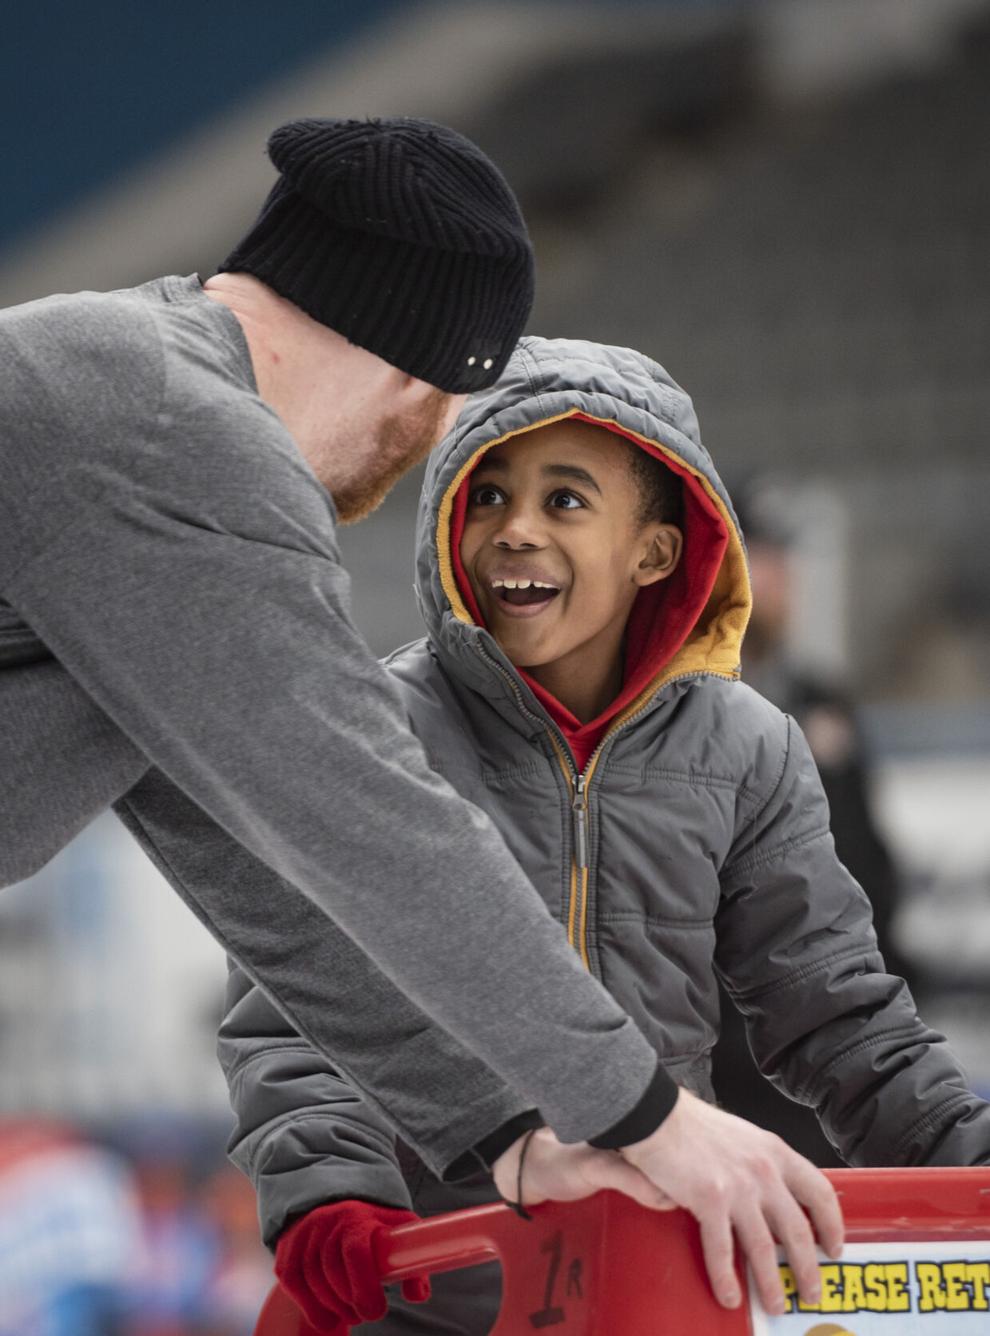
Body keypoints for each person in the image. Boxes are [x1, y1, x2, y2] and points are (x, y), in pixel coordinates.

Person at [0, 117, 838, 1301]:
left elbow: (270, 865)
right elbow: (377, 816)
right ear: (415, 365)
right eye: (445, 409)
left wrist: (504, 1129)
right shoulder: (182, 434)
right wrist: (649, 1112)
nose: (426, 446)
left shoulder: (125, 418)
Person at [218, 336, 990, 1334]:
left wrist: (962, 1151)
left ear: (657, 549)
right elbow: (298, 998)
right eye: (487, 494)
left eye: (566, 499)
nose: (515, 530)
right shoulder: (373, 727)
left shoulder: (748, 744)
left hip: (653, 1277)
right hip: (425, 1284)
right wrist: (329, 1192)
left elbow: (835, 1013)